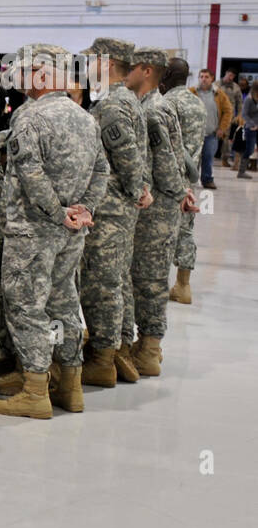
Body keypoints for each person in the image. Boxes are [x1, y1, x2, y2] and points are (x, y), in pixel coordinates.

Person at [0, 44, 108, 418]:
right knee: (63, 303)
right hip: (71, 233)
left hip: (34, 232)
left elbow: (31, 176)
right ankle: (70, 385)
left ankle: (36, 388)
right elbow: (102, 170)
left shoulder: (30, 117)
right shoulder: (84, 117)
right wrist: (84, 209)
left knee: (26, 304)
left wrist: (57, 213)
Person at [74, 38, 150, 387]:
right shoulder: (123, 100)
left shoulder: (113, 107)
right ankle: (118, 347)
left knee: (100, 283)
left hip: (109, 210)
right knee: (116, 279)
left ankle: (103, 358)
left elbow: (128, 158)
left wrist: (138, 191)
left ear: (105, 64)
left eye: (91, 60)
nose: (86, 66)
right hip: (120, 208)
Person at [128, 48, 191, 376]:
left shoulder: (154, 110)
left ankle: (150, 349)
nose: (127, 72)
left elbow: (167, 163)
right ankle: (143, 344)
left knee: (151, 280)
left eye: (133, 67)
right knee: (141, 278)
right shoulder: (146, 106)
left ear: (148, 71)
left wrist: (178, 194)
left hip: (158, 211)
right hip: (154, 207)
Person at [162, 58, 206, 305]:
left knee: (161, 233)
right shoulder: (197, 102)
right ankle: (183, 284)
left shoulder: (168, 103)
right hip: (191, 178)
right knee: (186, 230)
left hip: (170, 178)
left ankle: (155, 285)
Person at [236, 83, 258, 179]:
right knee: (249, 150)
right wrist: (253, 124)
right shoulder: (249, 99)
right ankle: (241, 171)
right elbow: (244, 114)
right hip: (251, 128)